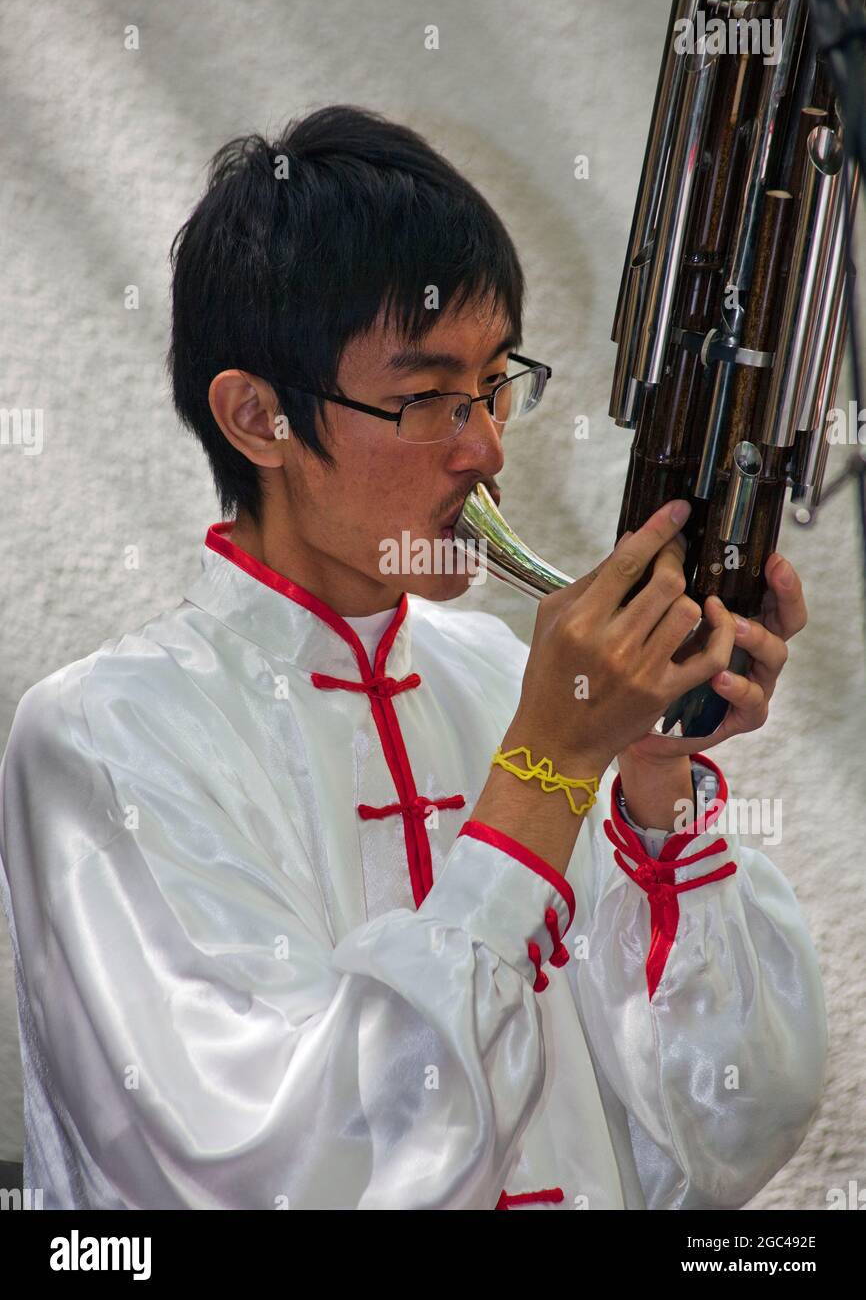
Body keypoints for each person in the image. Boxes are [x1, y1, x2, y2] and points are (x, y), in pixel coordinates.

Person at [0, 105, 825, 1210]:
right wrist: (540, 772)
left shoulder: (500, 675)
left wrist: (648, 771)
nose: (484, 447)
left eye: (494, 385)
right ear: (258, 420)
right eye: (428, 396)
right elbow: (291, 1173)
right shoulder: (100, 738)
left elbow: (725, 1130)